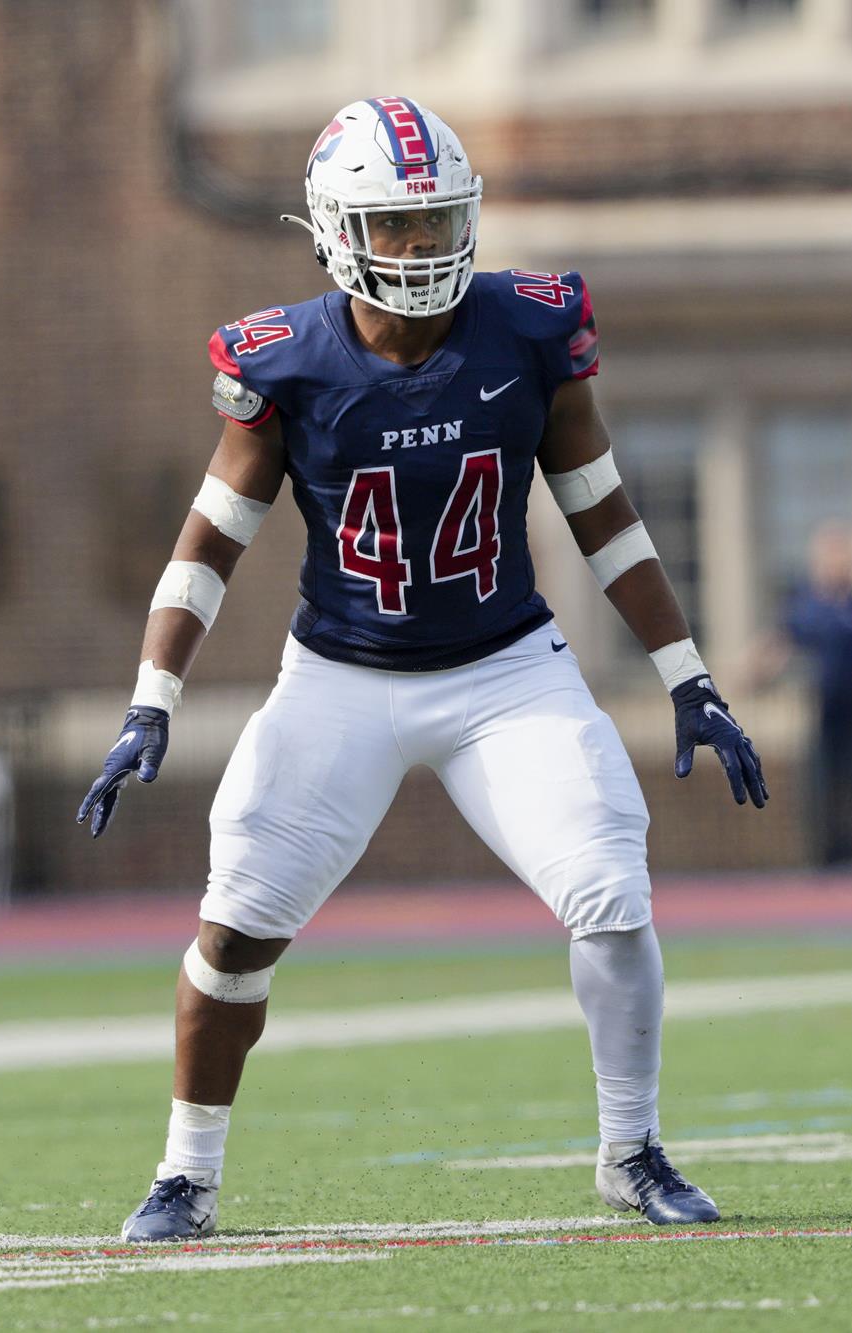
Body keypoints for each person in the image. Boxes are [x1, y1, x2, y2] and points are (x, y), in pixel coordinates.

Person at [76, 97, 766, 1242]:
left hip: (507, 671)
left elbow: (602, 513)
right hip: (340, 676)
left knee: (608, 888)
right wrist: (151, 703)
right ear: (339, 232)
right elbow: (207, 546)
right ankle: (184, 1175)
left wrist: (688, 675)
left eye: (439, 219)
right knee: (236, 922)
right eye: (395, 228)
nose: (423, 247)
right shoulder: (286, 362)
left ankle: (630, 1150)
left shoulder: (528, 331)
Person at [768, 524, 852, 868]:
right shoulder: (806, 607)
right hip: (821, 713)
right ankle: (822, 858)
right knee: (818, 787)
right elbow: (781, 644)